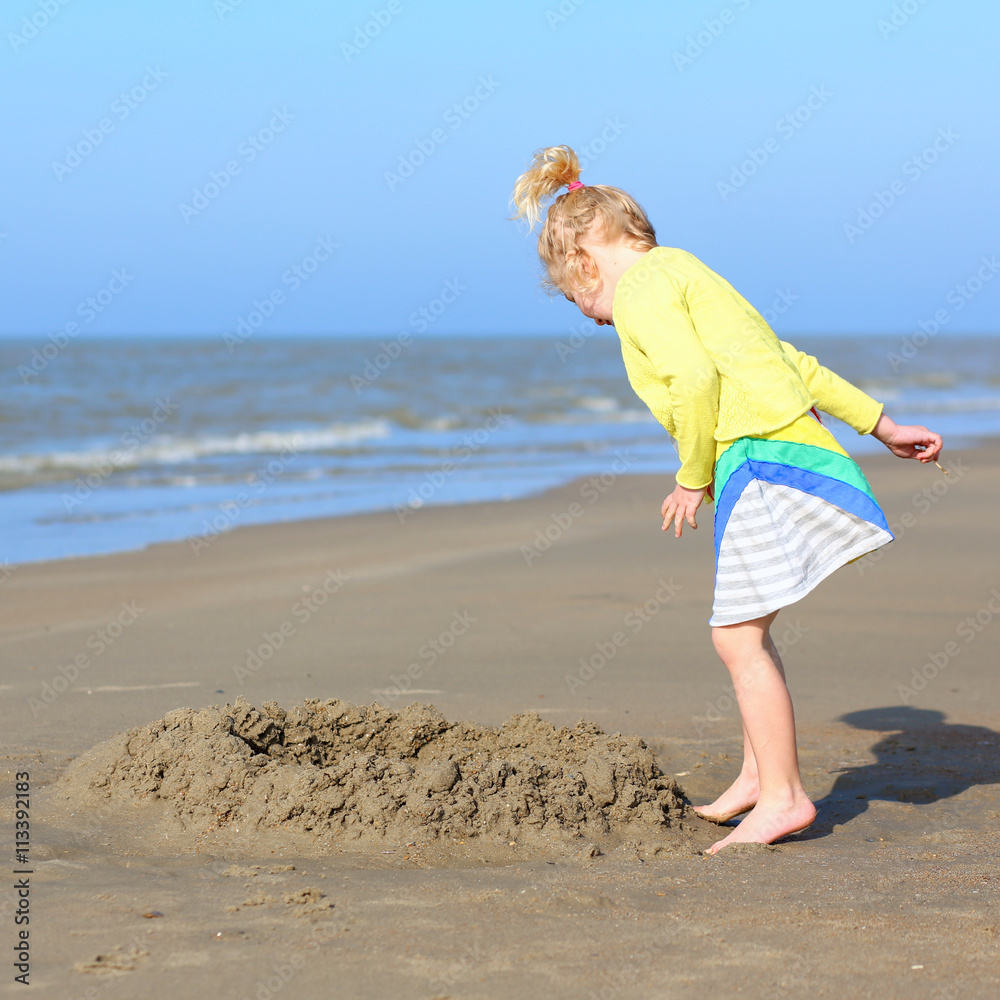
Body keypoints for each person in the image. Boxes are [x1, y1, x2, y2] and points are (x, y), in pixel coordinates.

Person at [509, 145, 944, 854]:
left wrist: (691, 474)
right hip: (781, 445)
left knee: (736, 636)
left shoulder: (644, 288)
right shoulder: (687, 271)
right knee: (749, 628)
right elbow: (789, 361)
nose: (586, 316)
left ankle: (784, 796)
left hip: (759, 454)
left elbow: (690, 383)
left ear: (587, 262)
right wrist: (882, 424)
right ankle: (755, 777)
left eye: (573, 297)